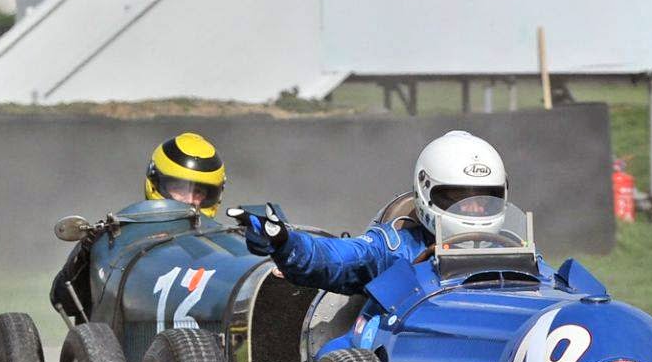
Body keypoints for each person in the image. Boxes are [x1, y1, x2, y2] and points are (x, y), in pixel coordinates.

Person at [229, 131, 510, 296]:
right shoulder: (394, 247)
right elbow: (337, 257)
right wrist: (286, 243)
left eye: (484, 200)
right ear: (427, 192)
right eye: (458, 198)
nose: (473, 209)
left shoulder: (513, 251)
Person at [50, 132, 227, 322]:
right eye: (180, 189)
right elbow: (62, 300)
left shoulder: (222, 247)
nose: (191, 201)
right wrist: (87, 251)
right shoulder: (117, 238)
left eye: (200, 192)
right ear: (156, 182)